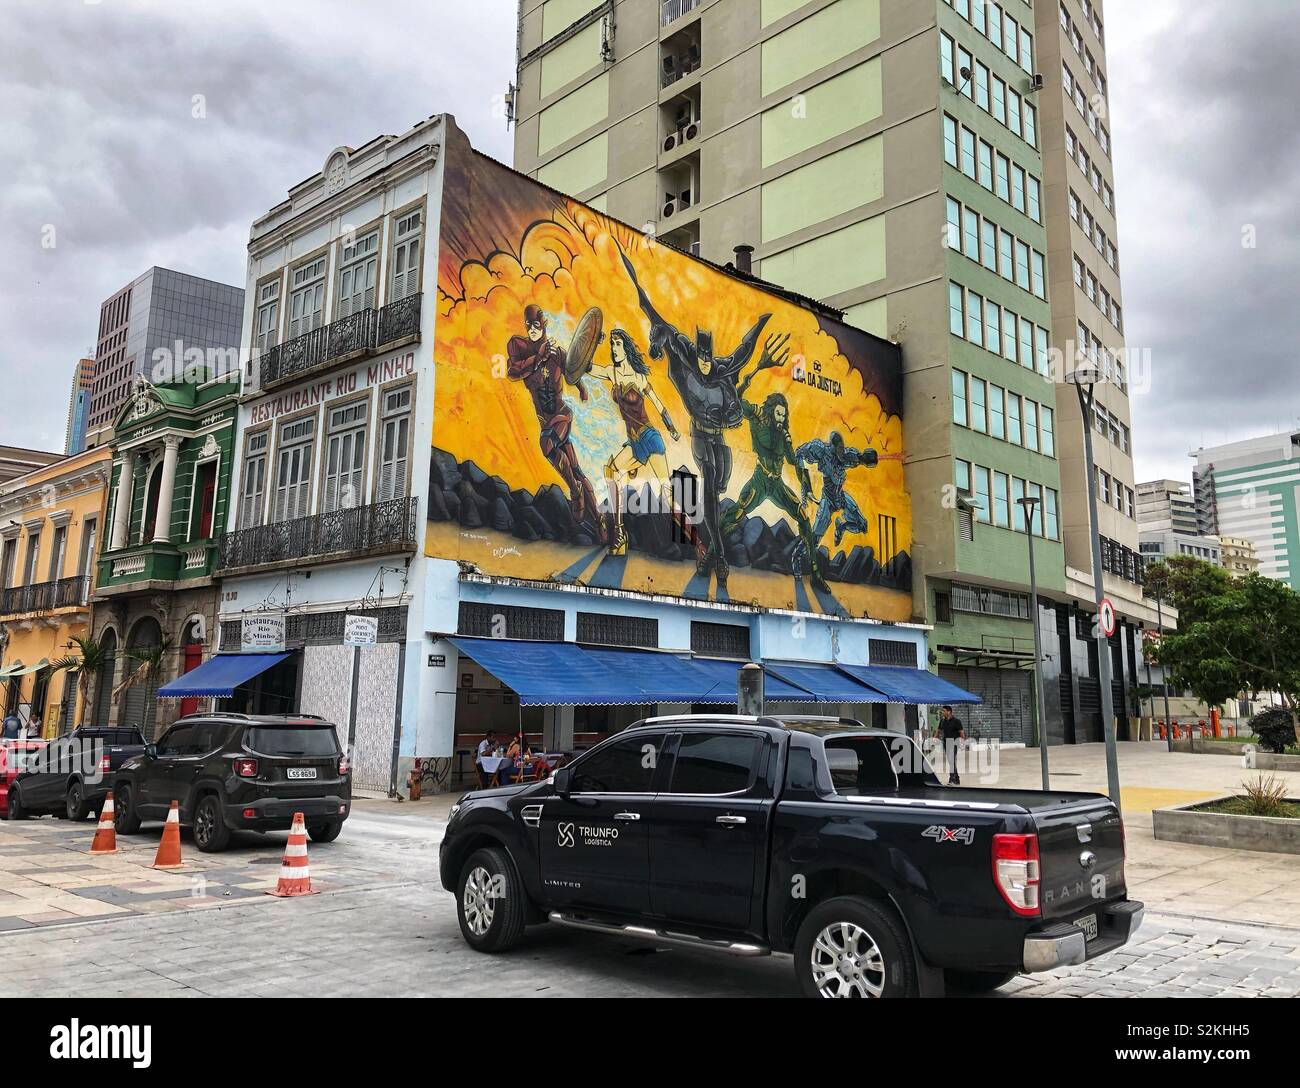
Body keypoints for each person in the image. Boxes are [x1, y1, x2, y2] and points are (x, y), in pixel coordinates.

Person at [619, 248, 771, 591]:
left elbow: (743, 354)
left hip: (720, 435)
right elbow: (653, 315)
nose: (704, 365)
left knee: (719, 486)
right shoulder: (683, 354)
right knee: (712, 492)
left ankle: (707, 551)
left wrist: (759, 325)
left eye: (707, 359)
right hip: (700, 436)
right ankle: (718, 555)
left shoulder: (718, 368)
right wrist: (630, 271)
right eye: (700, 359)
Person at [505, 305, 605, 543]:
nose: (531, 329)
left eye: (536, 325)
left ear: (544, 324)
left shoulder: (557, 352)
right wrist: (538, 357)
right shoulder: (518, 348)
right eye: (528, 325)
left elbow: (575, 368)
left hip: (562, 417)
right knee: (577, 470)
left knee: (547, 444)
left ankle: (574, 490)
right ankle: (600, 523)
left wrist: (592, 343)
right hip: (546, 421)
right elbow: (512, 371)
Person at [586, 328, 685, 557]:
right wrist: (593, 342)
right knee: (612, 470)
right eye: (612, 345)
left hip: (650, 439)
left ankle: (695, 540)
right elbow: (587, 367)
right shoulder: (612, 373)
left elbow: (659, 406)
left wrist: (671, 429)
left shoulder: (640, 379)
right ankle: (619, 533)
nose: (614, 349)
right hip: (634, 443)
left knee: (667, 493)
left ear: (627, 348)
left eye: (618, 344)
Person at [935, 705, 965, 785]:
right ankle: (957, 779)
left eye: (944, 711)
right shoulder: (942, 721)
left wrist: (962, 743)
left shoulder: (956, 721)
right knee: (951, 761)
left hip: (954, 743)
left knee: (951, 761)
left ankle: (951, 779)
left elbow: (961, 733)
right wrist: (934, 738)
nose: (942, 712)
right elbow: (938, 730)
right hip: (946, 743)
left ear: (949, 712)